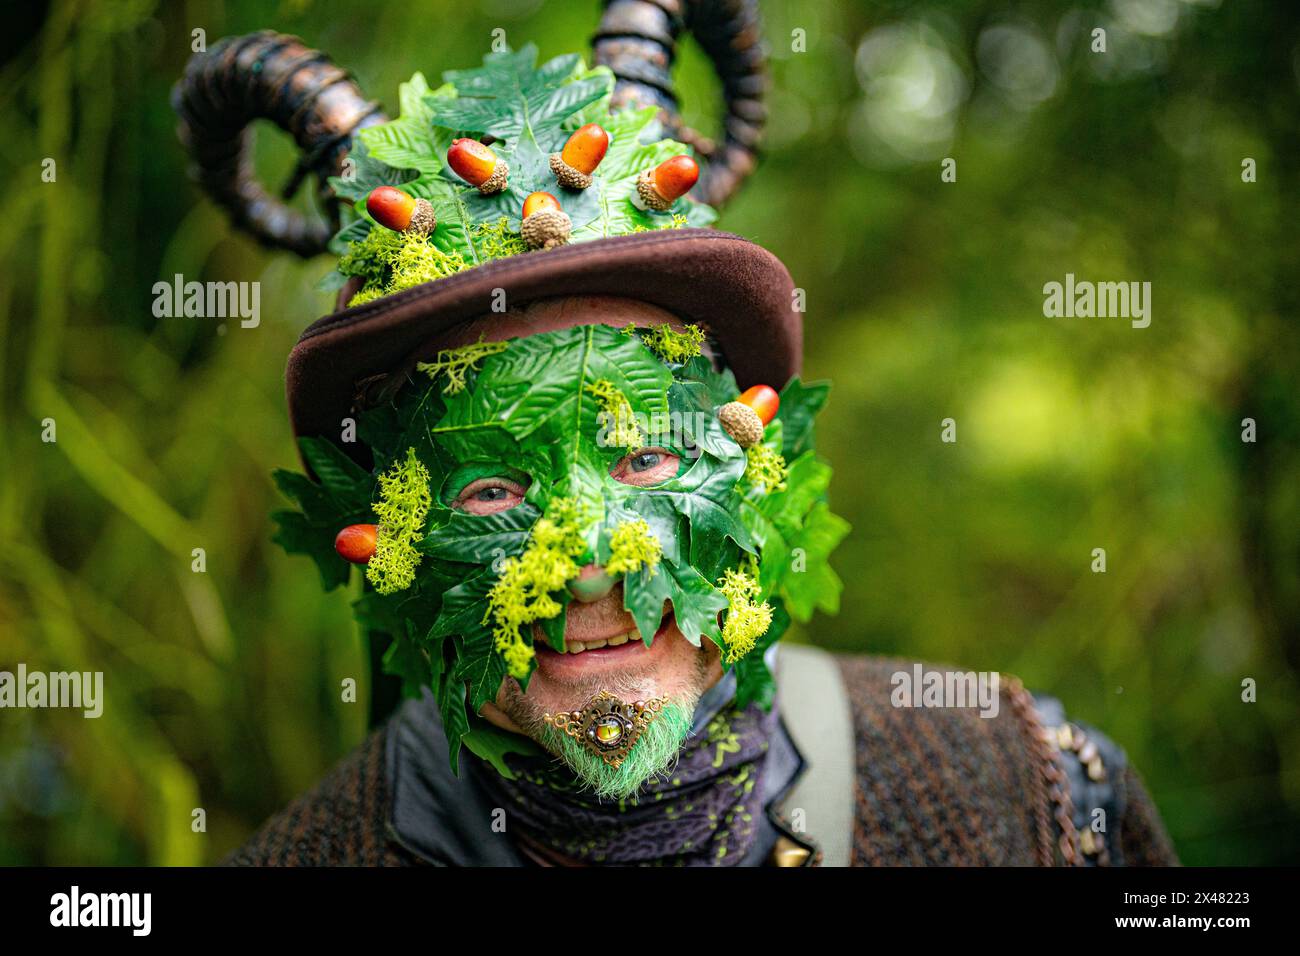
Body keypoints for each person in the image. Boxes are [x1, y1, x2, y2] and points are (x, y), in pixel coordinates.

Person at [173, 11, 1177, 868]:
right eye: (490, 490)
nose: (589, 563)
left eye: (645, 455)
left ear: (752, 468)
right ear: (389, 538)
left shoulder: (1028, 802)